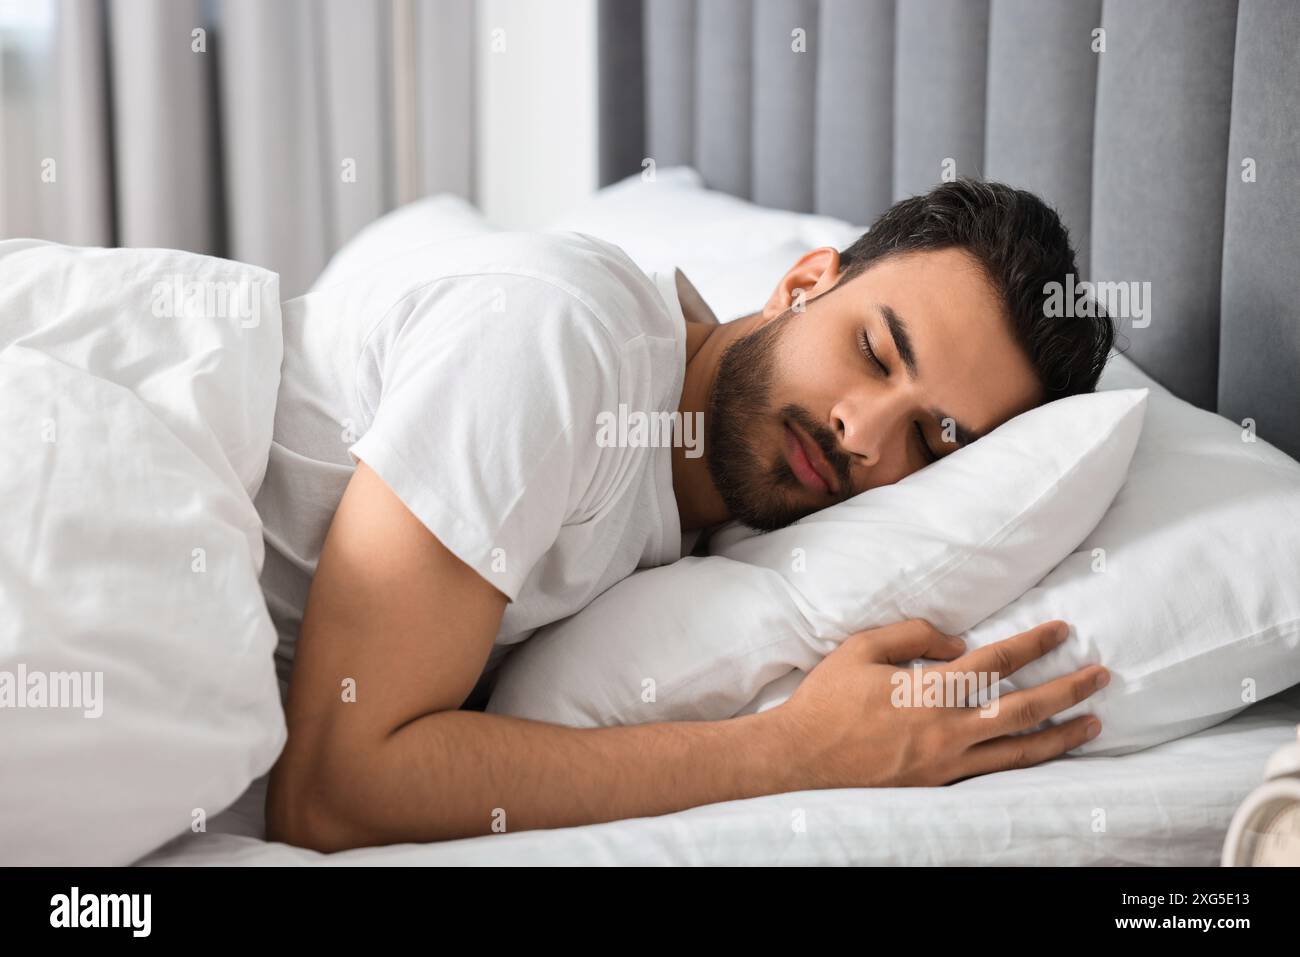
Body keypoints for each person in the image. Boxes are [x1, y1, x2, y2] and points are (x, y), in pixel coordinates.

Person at [262, 179, 1116, 851]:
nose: (864, 431)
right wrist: (801, 750)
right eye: (873, 350)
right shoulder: (564, 337)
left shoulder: (698, 518)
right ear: (802, 283)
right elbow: (330, 789)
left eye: (930, 442)